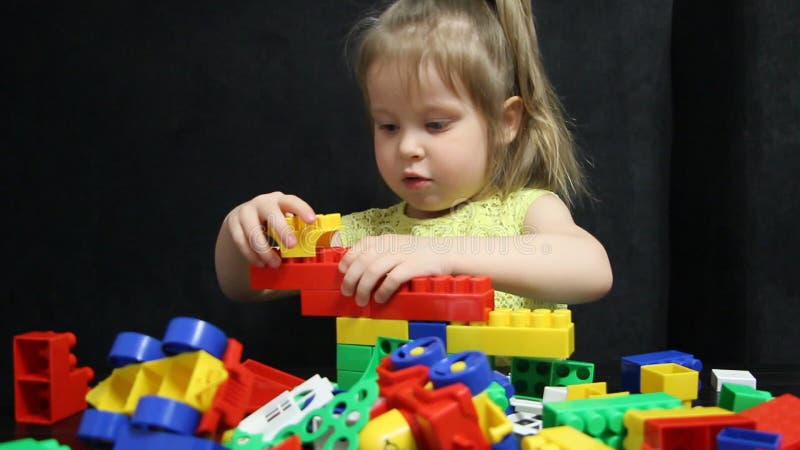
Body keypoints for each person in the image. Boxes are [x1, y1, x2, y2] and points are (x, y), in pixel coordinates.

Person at [215, 0, 613, 311]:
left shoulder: (525, 213)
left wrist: (443, 253)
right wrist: (243, 233)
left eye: (436, 124)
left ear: (507, 122)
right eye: (388, 126)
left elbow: (592, 268)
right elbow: (247, 286)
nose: (407, 147)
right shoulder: (369, 236)